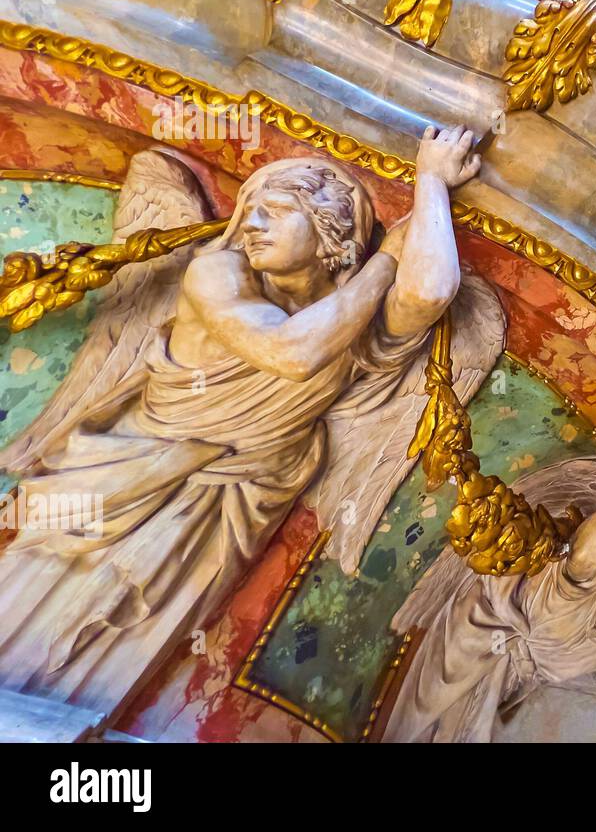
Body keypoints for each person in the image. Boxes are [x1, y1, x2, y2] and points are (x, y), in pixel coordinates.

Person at [0, 126, 480, 715]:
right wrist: (383, 263)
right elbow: (293, 353)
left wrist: (431, 181)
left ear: (331, 228)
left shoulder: (354, 324)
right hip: (121, 476)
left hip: (226, 505)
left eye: (274, 212)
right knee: (32, 605)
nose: (249, 224)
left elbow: (431, 294)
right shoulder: (217, 273)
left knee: (124, 653)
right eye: (248, 211)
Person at [384, 431, 596, 742]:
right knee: (406, 729)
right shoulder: (586, 583)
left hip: (501, 684)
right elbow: (585, 553)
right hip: (476, 641)